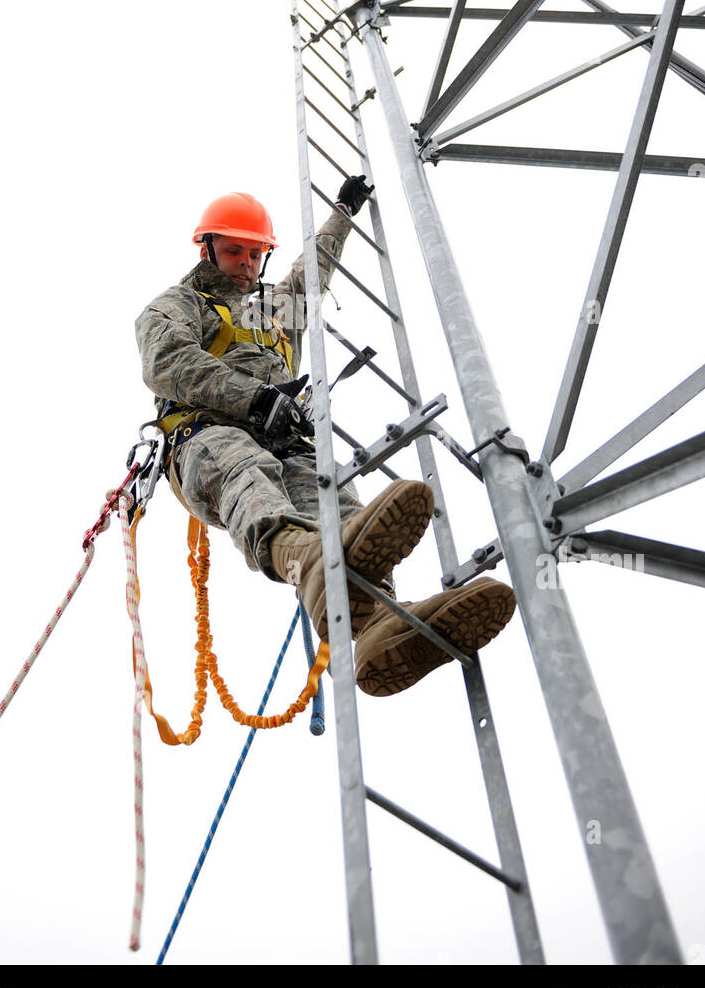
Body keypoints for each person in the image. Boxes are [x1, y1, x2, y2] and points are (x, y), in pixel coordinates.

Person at [135, 184, 515, 696]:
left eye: (255, 253)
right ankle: (307, 561)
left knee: (341, 509)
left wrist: (343, 211)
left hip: (287, 441)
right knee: (247, 474)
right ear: (207, 249)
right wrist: (255, 399)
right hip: (208, 435)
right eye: (233, 251)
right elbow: (166, 361)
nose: (246, 264)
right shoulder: (181, 303)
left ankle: (382, 626)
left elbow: (315, 268)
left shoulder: (274, 313)